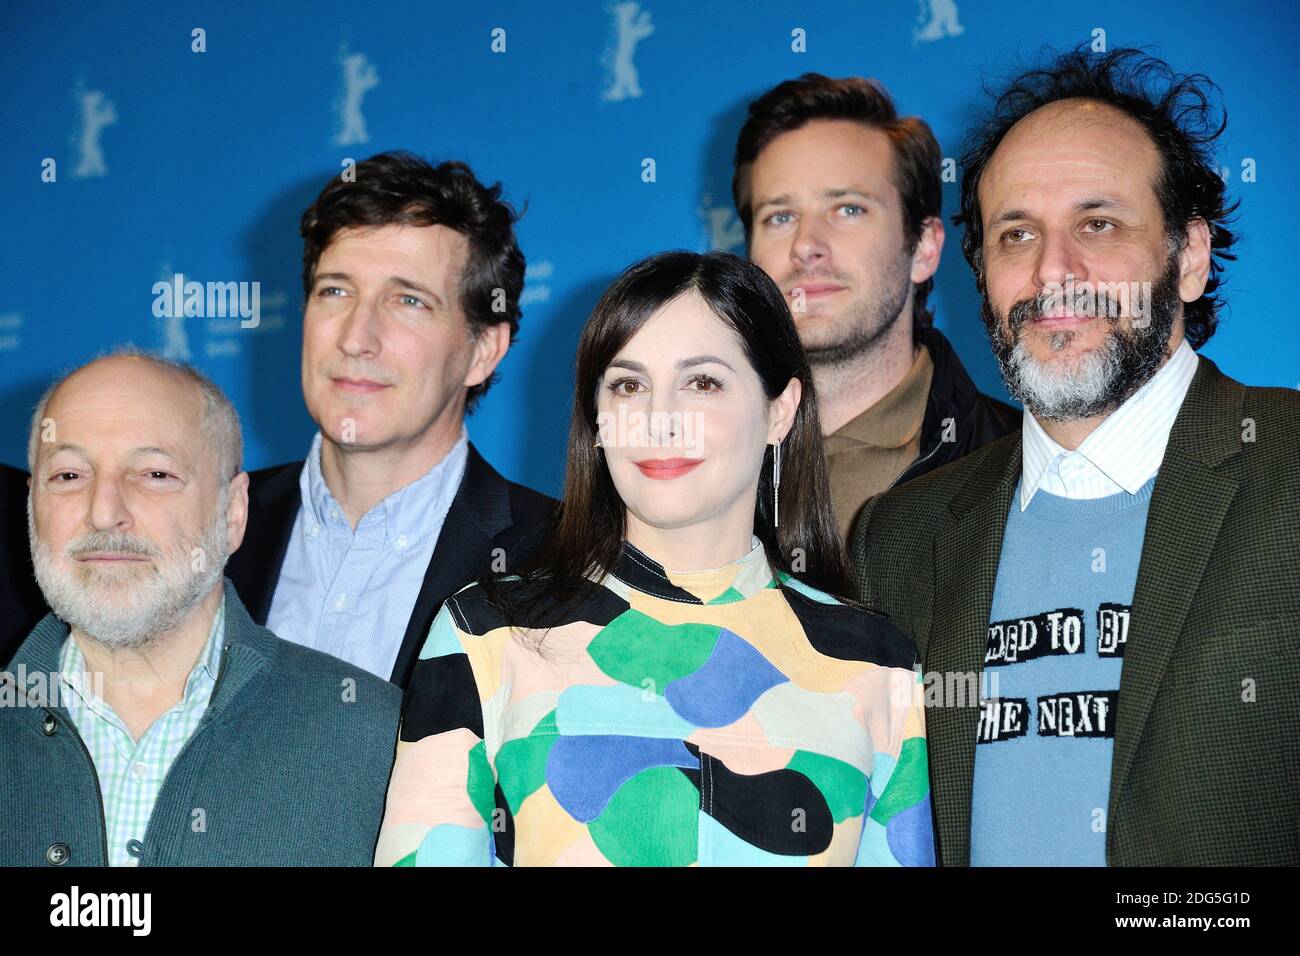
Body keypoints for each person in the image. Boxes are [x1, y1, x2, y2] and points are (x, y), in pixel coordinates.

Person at [850, 45, 1299, 865]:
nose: (1053, 271)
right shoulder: (899, 537)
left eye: (1099, 224)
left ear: (1189, 258)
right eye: (1016, 234)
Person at [374, 250, 933, 867]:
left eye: (702, 383)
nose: (659, 421)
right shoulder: (485, 636)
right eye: (628, 385)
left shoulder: (878, 664)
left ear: (780, 410)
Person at [1, 350, 401, 866]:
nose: (103, 512)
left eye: (155, 474)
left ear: (233, 513)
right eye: (69, 476)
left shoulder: (378, 739)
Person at [226, 152, 556, 688]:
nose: (356, 338)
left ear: (482, 351)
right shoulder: (207, 524)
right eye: (336, 291)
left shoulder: (561, 560)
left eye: (408, 301)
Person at [733, 73, 1018, 541]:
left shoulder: (1026, 465)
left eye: (848, 209)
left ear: (923, 247)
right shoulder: (688, 459)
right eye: (780, 217)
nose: (806, 245)